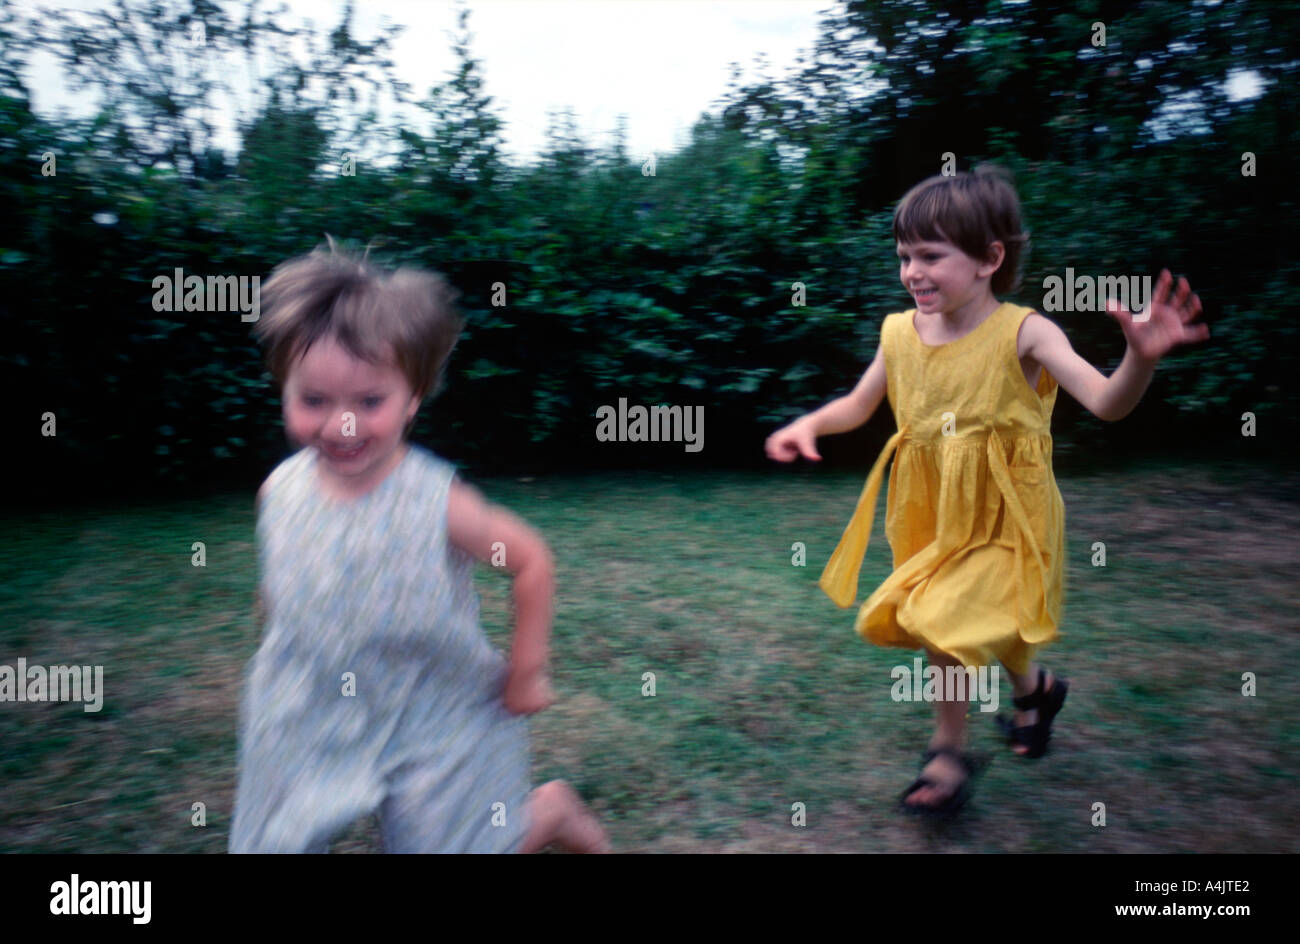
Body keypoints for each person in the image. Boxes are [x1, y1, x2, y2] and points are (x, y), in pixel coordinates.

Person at [765, 167, 1208, 815]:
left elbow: (1107, 403)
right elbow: (859, 406)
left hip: (1010, 515)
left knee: (946, 618)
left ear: (988, 259)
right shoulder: (899, 335)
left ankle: (947, 751)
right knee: (979, 621)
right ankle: (1037, 690)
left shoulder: (1025, 333)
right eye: (904, 257)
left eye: (931, 256)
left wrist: (1139, 358)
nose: (912, 272)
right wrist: (809, 423)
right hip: (933, 511)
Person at [229, 242, 609, 852]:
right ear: (283, 388)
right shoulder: (279, 490)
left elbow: (531, 560)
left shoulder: (439, 502)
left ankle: (551, 812)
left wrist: (526, 672)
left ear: (413, 396)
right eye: (314, 400)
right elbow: (282, 573)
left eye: (369, 401)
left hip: (432, 710)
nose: (341, 425)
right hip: (311, 706)